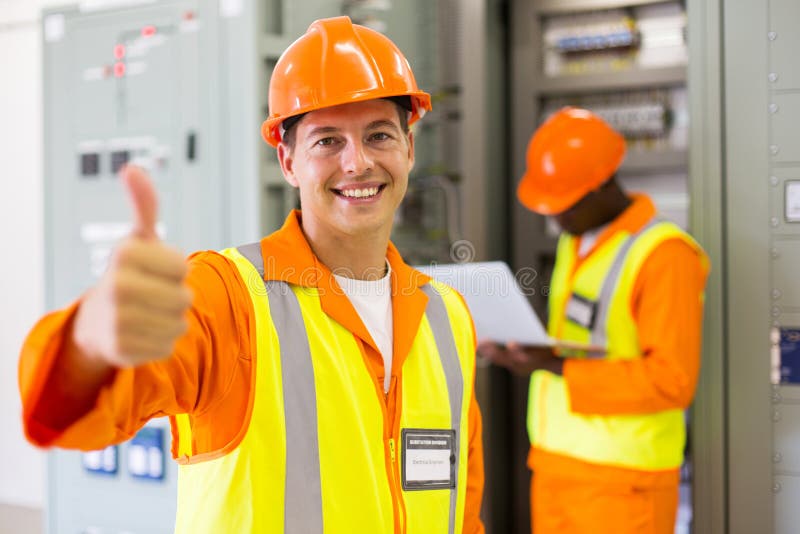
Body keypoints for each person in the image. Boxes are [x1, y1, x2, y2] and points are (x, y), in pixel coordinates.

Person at [19, 16, 485, 534]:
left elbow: (460, 512)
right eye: (327, 141)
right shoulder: (227, 296)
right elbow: (66, 419)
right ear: (288, 161)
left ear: (409, 150)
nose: (357, 163)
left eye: (378, 136)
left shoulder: (448, 317)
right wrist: (87, 349)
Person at [479, 107, 709, 534]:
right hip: (556, 465)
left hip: (623, 484)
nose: (556, 219)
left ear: (604, 184)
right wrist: (524, 351)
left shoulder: (666, 256)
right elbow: (583, 339)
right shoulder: (578, 240)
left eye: (566, 206)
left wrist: (553, 364)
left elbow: (671, 381)